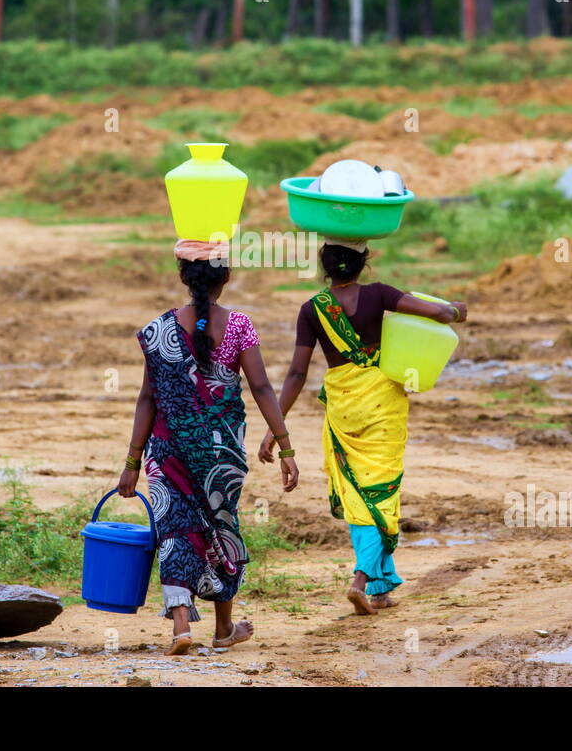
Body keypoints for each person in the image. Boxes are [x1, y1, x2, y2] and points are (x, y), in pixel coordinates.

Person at [261, 239, 466, 615]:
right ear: (363, 262)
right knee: (381, 492)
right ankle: (359, 579)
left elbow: (295, 374)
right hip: (382, 405)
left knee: (359, 493)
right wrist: (456, 310)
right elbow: (437, 314)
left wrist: (276, 427)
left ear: (324, 266)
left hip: (344, 408)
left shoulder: (312, 310)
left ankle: (380, 587)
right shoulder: (380, 295)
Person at [118, 239, 298, 655]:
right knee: (221, 529)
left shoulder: (157, 330)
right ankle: (222, 629)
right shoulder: (239, 326)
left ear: (183, 277)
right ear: (226, 277)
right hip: (221, 455)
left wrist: (131, 461)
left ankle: (182, 627)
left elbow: (147, 398)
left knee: (175, 531)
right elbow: (261, 387)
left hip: (167, 452)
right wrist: (286, 448)